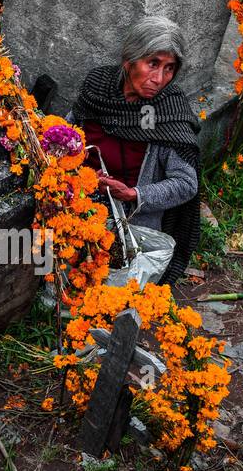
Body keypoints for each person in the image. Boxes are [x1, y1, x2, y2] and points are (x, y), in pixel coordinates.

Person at [67, 15, 201, 285]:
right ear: (129, 60)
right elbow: (67, 133)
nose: (159, 78)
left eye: (169, 68)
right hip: (77, 202)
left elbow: (187, 183)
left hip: (129, 220)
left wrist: (133, 193)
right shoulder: (98, 91)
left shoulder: (166, 113)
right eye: (153, 64)